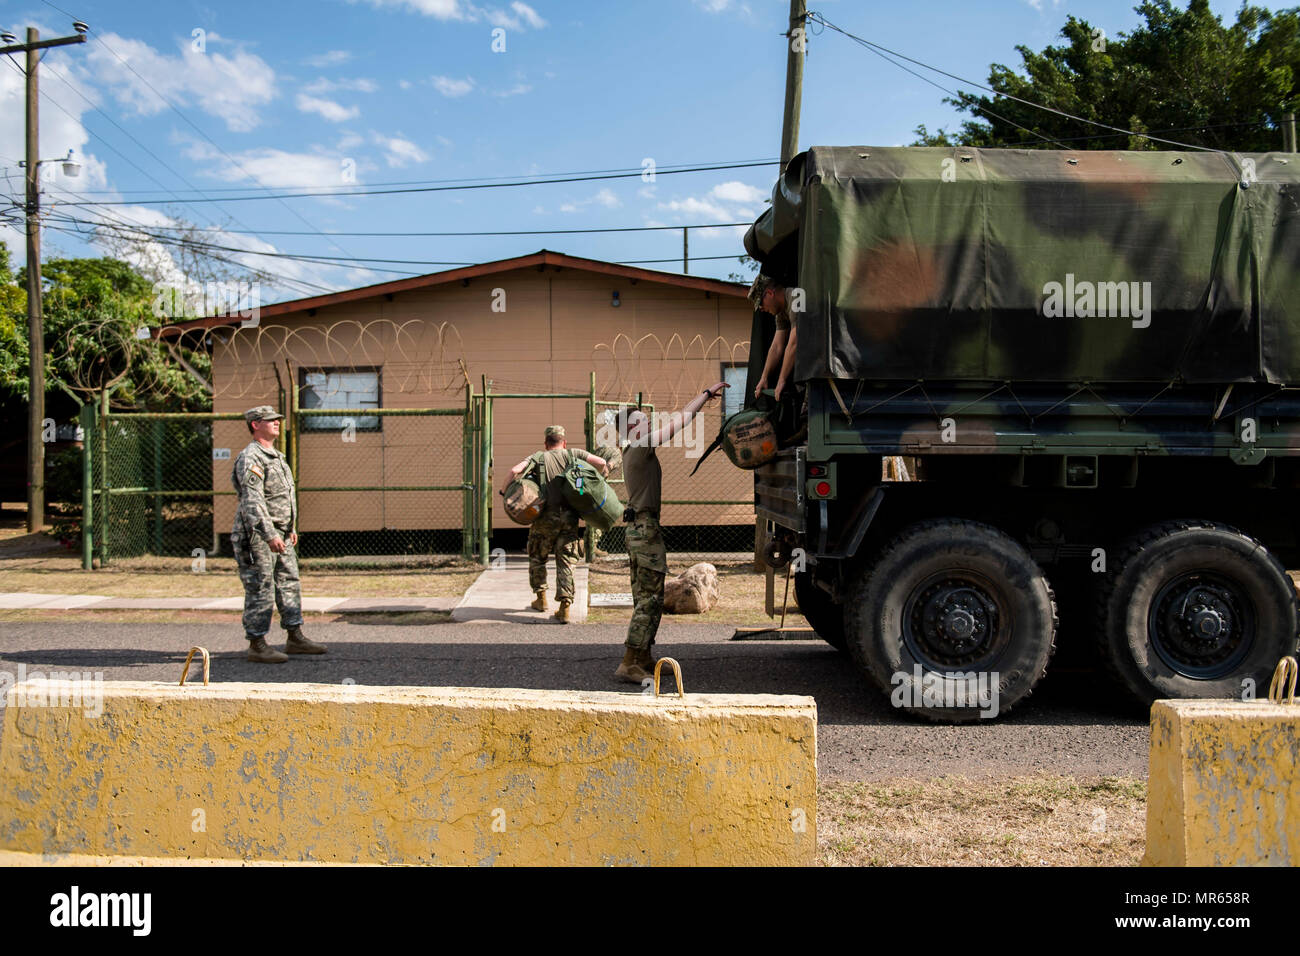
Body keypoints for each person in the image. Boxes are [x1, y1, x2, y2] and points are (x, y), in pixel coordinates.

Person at [613, 382, 728, 682]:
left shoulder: (631, 449)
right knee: (651, 599)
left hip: (638, 529)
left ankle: (643, 657)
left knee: (645, 598)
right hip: (645, 531)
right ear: (630, 429)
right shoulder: (639, 445)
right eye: (640, 420)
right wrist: (704, 395)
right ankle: (629, 663)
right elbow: (680, 421)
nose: (648, 422)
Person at [231, 406, 325, 663]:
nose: (276, 423)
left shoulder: (276, 456)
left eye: (277, 419)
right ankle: (257, 644)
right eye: (270, 420)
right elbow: (254, 501)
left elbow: (282, 497)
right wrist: (269, 533)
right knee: (260, 586)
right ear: (255, 425)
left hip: (281, 533)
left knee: (288, 581)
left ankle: (295, 637)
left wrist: (290, 528)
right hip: (258, 536)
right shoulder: (251, 457)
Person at [508, 425, 608, 623]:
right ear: (564, 442)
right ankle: (565, 608)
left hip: (545, 517)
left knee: (538, 556)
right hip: (569, 518)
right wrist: (600, 478)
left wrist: (505, 492)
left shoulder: (538, 457)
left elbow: (514, 470)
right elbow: (601, 462)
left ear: (546, 443)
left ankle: (541, 599)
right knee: (567, 560)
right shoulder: (573, 454)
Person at [749, 274, 798, 401]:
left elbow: (795, 342)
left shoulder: (798, 296)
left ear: (770, 293)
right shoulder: (781, 312)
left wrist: (782, 380)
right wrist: (764, 377)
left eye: (760, 303)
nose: (761, 309)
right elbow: (776, 347)